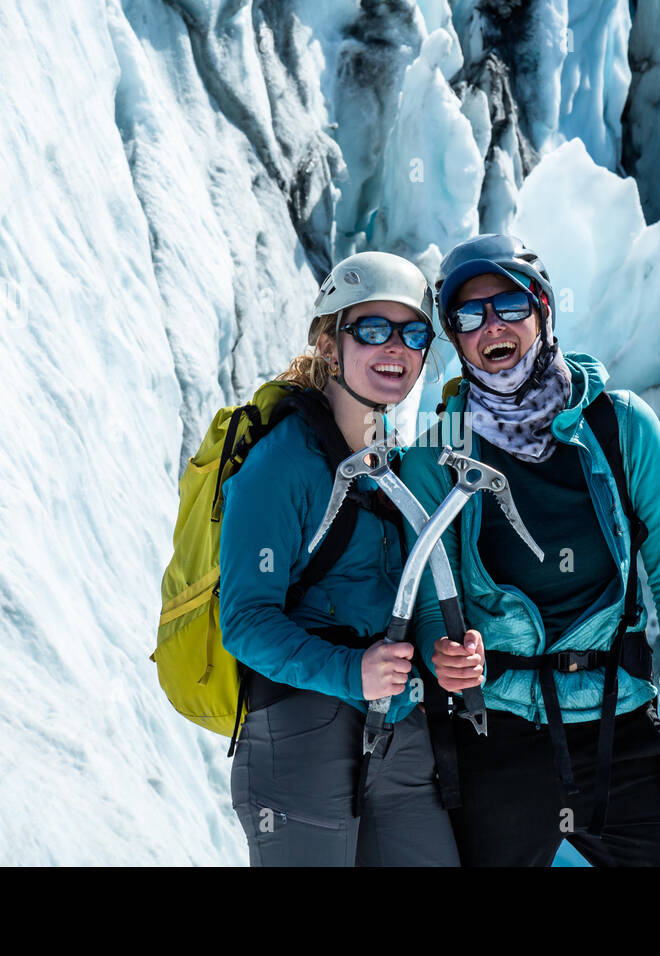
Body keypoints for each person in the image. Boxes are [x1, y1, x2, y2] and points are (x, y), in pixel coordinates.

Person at [397, 234, 660, 866]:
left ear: (543, 309)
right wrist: (446, 659)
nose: (493, 326)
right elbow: (434, 599)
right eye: (469, 316)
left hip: (620, 724)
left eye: (510, 306)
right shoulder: (436, 459)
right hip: (500, 733)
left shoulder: (621, 427)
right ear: (458, 341)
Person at [218, 251, 460, 866]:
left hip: (398, 728)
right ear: (330, 343)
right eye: (372, 329)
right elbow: (246, 619)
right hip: (301, 732)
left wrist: (444, 655)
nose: (394, 348)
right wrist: (352, 672)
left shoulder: (389, 462)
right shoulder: (282, 465)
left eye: (413, 334)